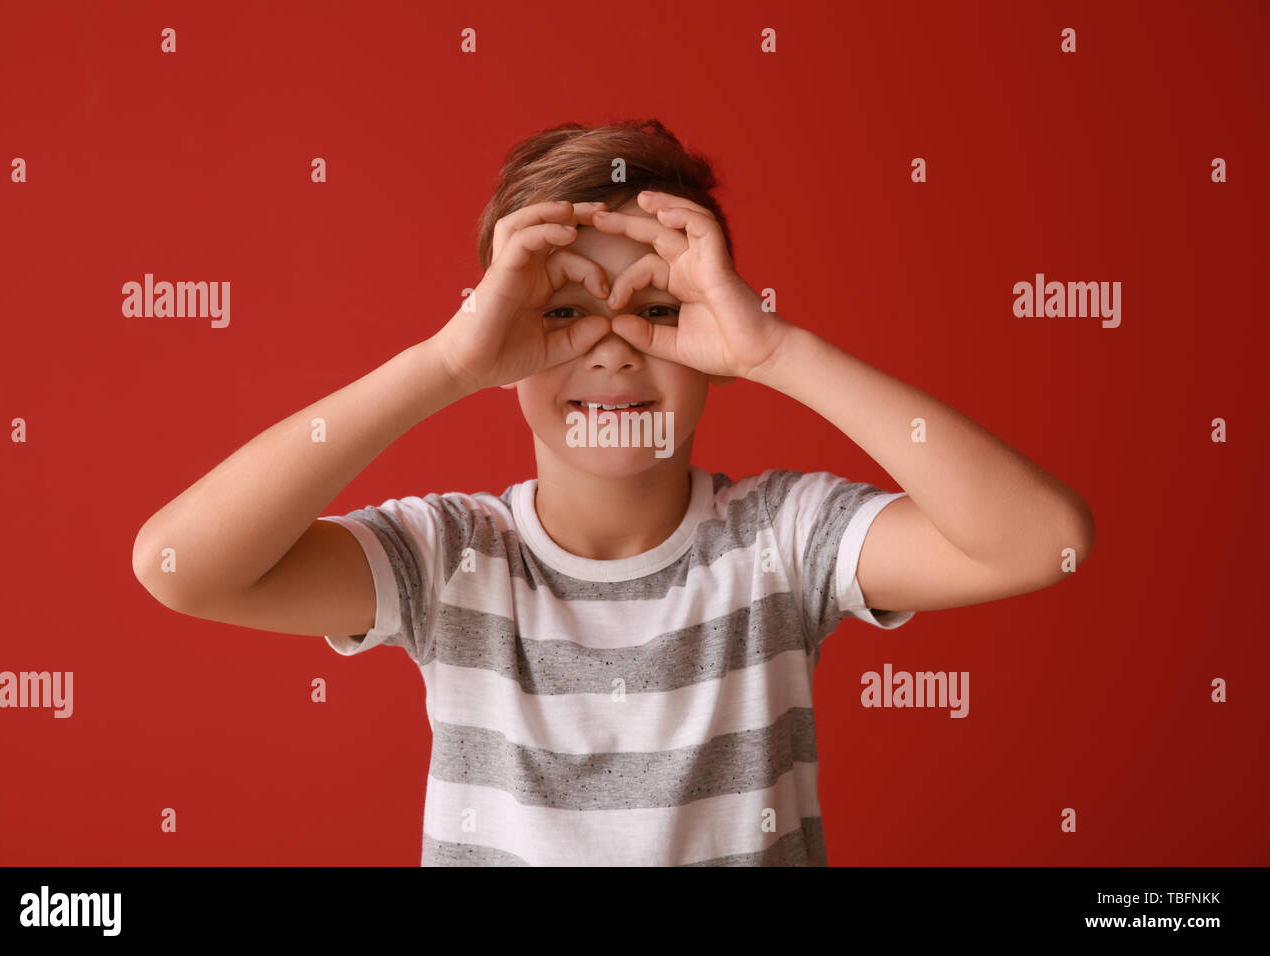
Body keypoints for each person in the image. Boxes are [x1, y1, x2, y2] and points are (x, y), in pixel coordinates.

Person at [132, 118, 1095, 866]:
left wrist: (773, 347)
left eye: (657, 309)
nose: (608, 345)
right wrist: (445, 363)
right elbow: (180, 568)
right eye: (559, 311)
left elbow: (1041, 540)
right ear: (501, 340)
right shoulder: (454, 557)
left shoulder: (781, 539)